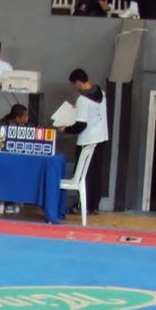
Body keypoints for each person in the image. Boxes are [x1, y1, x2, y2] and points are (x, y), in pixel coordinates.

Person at [64, 68, 108, 218]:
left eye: (74, 85)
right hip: (101, 138)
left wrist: (64, 129)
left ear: (78, 82)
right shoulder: (101, 93)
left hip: (87, 141)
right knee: (96, 174)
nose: (75, 88)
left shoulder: (82, 100)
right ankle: (93, 206)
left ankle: (82, 205)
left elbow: (80, 126)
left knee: (83, 175)